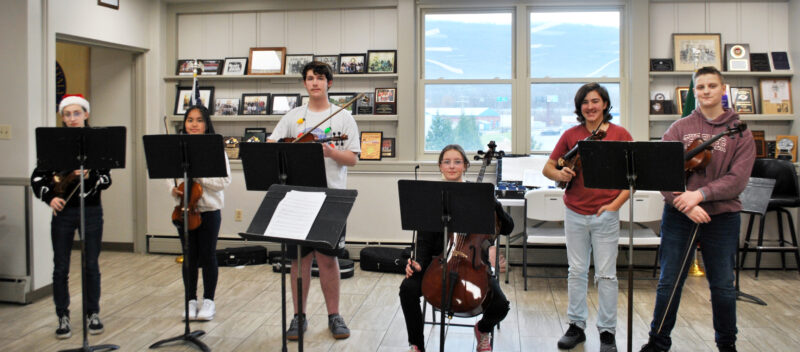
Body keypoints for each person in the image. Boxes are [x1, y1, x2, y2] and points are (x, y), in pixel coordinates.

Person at [640, 67, 754, 352]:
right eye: (700, 87)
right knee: (669, 281)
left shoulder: (740, 132)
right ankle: (658, 342)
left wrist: (700, 195)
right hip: (680, 215)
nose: (705, 91)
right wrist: (686, 203)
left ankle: (727, 345)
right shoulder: (678, 128)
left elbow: (737, 181)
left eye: (711, 86)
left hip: (723, 216)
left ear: (723, 89)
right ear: (694, 91)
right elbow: (662, 174)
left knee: (723, 286)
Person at [268, 61, 360, 340]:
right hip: (297, 197)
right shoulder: (293, 116)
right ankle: (299, 317)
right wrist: (291, 147)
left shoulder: (343, 117)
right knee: (299, 261)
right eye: (310, 78)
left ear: (329, 83)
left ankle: (334, 315)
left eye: (320, 78)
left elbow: (353, 158)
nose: (315, 83)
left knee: (328, 260)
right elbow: (272, 145)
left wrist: (331, 153)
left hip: (331, 197)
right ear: (305, 84)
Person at [542, 83, 632, 352]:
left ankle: (607, 331)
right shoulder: (571, 135)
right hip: (575, 212)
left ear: (605, 104)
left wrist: (614, 205)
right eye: (585, 102)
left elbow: (632, 177)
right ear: (579, 107)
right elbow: (549, 166)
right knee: (577, 271)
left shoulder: (620, 134)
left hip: (606, 213)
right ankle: (576, 326)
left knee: (606, 276)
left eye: (595, 101)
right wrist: (559, 175)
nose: (590, 107)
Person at [399, 144, 514, 352]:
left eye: (457, 162)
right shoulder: (431, 197)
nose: (452, 166)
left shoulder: (479, 196)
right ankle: (416, 344)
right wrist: (417, 262)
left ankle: (483, 329)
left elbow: (508, 227)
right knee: (407, 289)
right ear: (440, 166)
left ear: (466, 166)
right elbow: (424, 240)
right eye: (447, 162)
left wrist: (494, 203)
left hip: (474, 263)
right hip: (438, 261)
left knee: (500, 305)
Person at [31, 95, 112, 339]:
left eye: (77, 113)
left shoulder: (97, 143)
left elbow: (107, 179)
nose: (72, 118)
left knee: (90, 265)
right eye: (67, 114)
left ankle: (92, 313)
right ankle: (62, 316)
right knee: (61, 267)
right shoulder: (53, 144)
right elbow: (37, 178)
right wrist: (49, 198)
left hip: (92, 211)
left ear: (86, 115)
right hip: (64, 212)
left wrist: (91, 178)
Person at [168, 104, 231, 321]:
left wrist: (200, 177)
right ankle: (190, 300)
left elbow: (224, 181)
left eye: (199, 120)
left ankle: (209, 301)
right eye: (190, 120)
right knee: (189, 257)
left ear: (206, 124)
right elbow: (169, 176)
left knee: (207, 255)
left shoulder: (216, 149)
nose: (194, 124)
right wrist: (173, 189)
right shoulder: (177, 148)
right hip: (184, 209)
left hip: (209, 211)